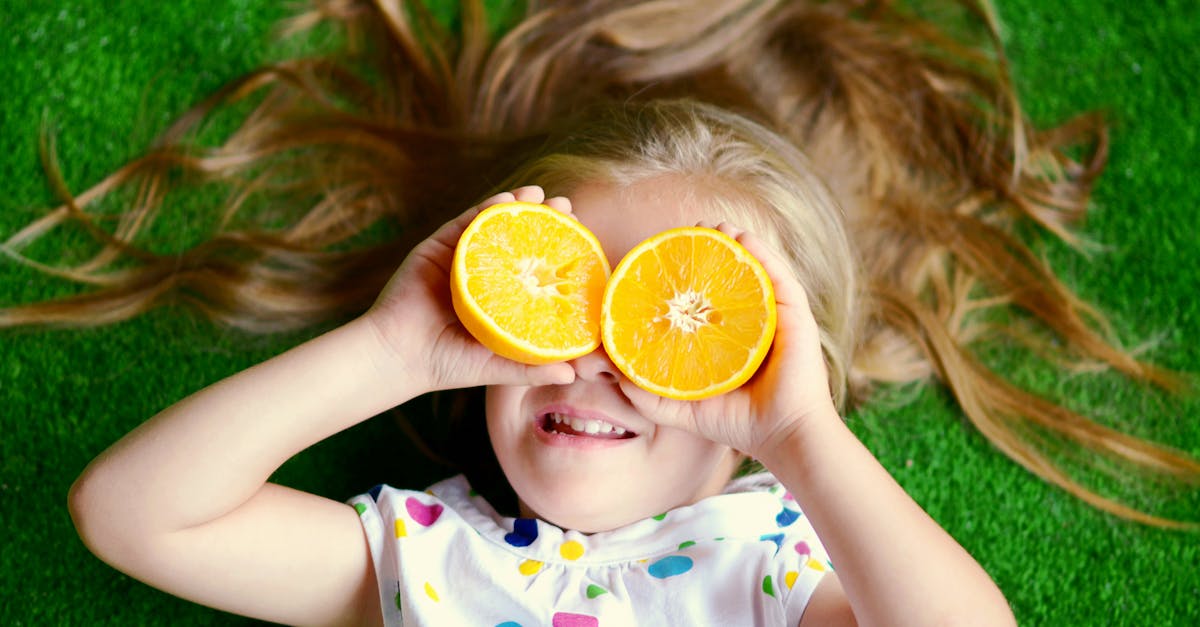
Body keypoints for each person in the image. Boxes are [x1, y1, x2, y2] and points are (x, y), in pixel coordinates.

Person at [4, 0, 1196, 624]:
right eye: (564, 295)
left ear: (772, 361)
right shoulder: (431, 557)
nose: (599, 356)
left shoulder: (780, 570)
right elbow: (130, 516)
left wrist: (804, 443)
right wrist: (388, 352)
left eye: (670, 318)